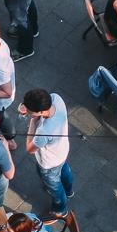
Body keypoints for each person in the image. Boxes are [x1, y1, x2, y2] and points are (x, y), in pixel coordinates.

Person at [18, 88, 74, 217]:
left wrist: (32, 121)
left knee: (54, 186)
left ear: (41, 111)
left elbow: (30, 149)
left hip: (49, 163)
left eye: (31, 112)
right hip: (62, 150)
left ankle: (61, 209)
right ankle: (69, 191)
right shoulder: (56, 98)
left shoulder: (44, 131)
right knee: (64, 171)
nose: (29, 113)